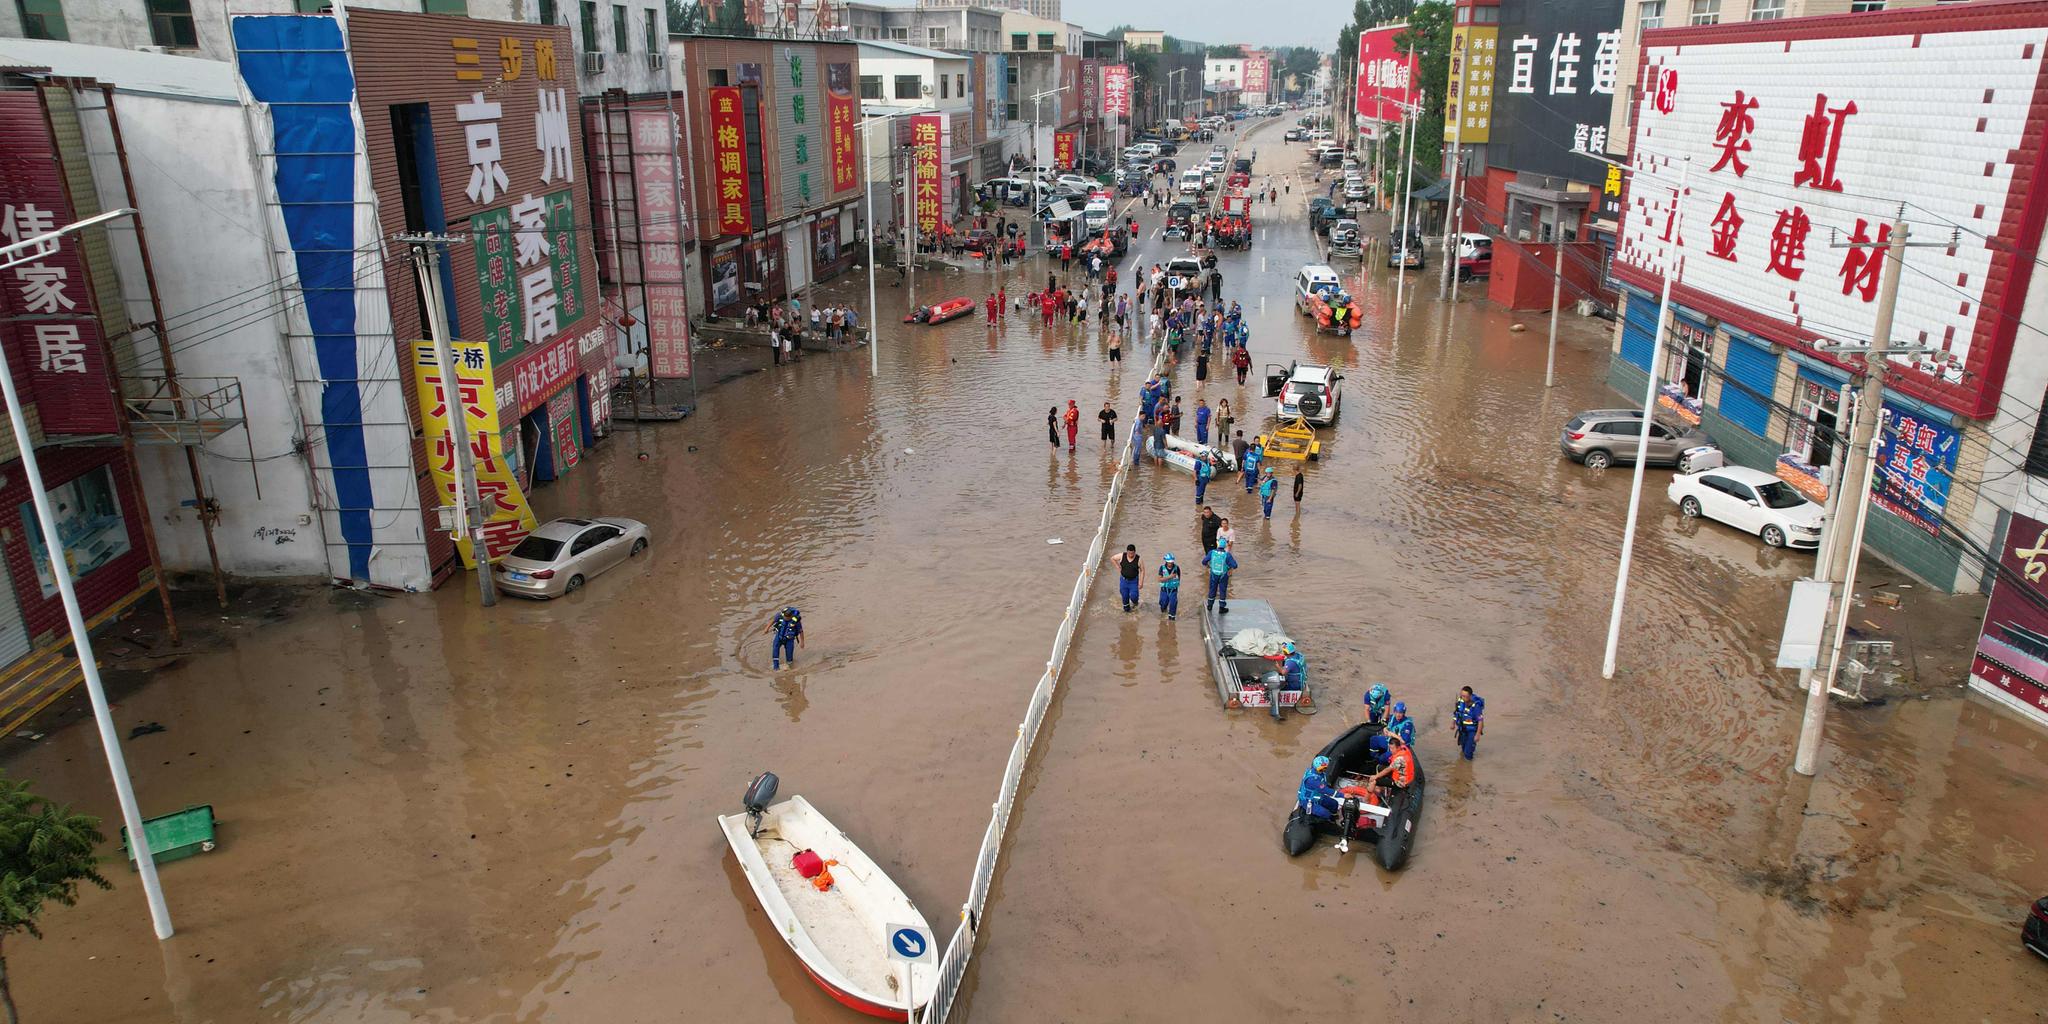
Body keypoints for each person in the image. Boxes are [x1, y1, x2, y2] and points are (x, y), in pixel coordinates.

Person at [1297, 754, 1340, 821]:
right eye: (1321, 769)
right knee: (1325, 813)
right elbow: (1325, 790)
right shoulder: (1312, 780)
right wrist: (1343, 795)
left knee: (1334, 804)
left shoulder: (1318, 774)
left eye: (1325, 768)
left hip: (1318, 796)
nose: (1323, 770)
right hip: (1308, 801)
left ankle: (1334, 814)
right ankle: (1330, 820)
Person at [1453, 686, 1486, 761]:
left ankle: (1468, 768)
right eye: (1462, 695)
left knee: (1468, 753)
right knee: (1463, 749)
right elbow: (1457, 713)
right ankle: (1463, 764)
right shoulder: (1461, 702)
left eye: (1465, 696)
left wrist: (1477, 735)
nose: (1463, 698)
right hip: (1463, 730)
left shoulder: (1476, 707)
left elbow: (1480, 721)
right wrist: (1453, 723)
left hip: (1472, 731)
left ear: (1470, 696)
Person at [1205, 539, 1237, 614]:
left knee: (1212, 589)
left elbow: (1204, 561)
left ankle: (1210, 606)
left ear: (1218, 544)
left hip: (1213, 574)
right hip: (1223, 575)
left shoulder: (1211, 553)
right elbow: (1235, 565)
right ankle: (1221, 608)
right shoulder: (1227, 555)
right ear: (1225, 546)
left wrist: (1208, 566)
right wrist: (1230, 569)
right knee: (1222, 590)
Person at [1114, 544, 1143, 613]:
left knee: (1134, 596)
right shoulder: (1122, 556)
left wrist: (1141, 582)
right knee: (1124, 596)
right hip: (1124, 581)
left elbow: (1142, 571)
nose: (1130, 555)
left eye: (1132, 553)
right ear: (1127, 552)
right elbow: (1113, 558)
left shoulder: (1138, 559)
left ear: (1135, 552)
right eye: (1129, 553)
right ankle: (1127, 613)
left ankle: (1135, 603)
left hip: (1133, 581)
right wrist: (1118, 567)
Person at [1157, 552, 1182, 620]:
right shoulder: (1162, 568)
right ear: (1166, 561)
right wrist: (1169, 577)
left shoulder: (1177, 568)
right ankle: (1164, 612)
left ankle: (1172, 619)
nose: (1170, 564)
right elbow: (1159, 579)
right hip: (1164, 590)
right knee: (1163, 604)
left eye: (1171, 562)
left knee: (1173, 604)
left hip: (1173, 590)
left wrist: (1175, 584)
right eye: (1169, 562)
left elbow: (1179, 578)